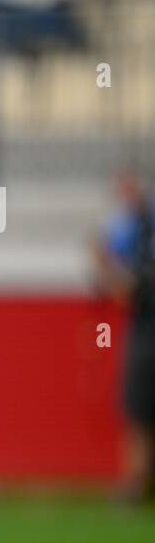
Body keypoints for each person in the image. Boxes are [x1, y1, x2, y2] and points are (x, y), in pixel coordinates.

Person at [93, 169, 155, 503]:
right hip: (144, 326)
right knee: (139, 409)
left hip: (147, 329)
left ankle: (137, 483)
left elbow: (126, 291)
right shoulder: (135, 228)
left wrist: (102, 261)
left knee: (139, 409)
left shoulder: (140, 229)